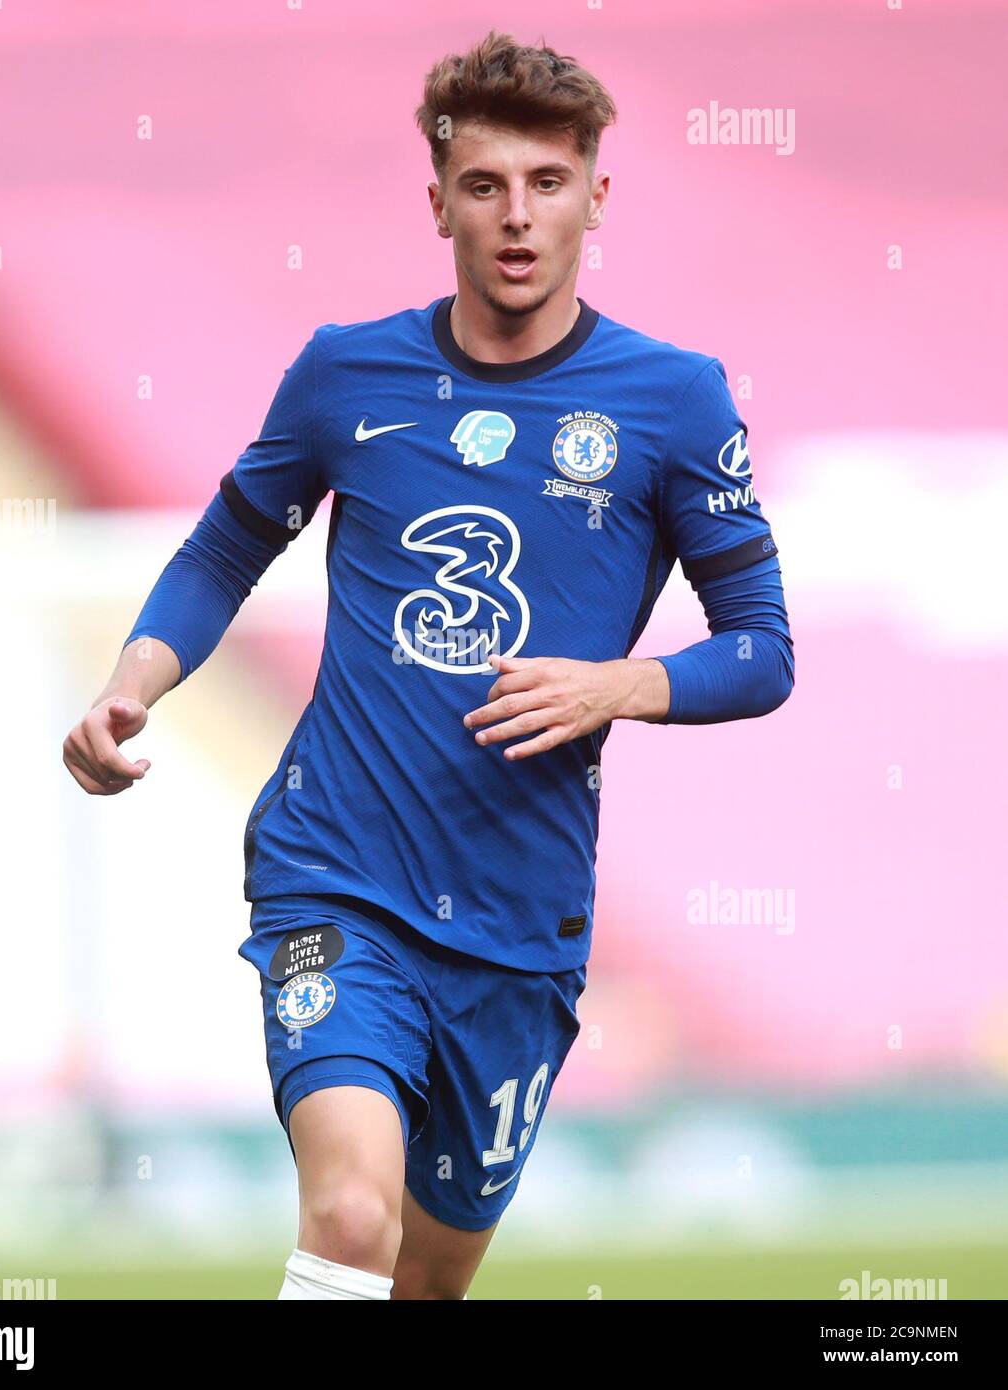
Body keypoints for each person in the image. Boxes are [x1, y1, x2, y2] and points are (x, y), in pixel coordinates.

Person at [62, 29, 794, 1300]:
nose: (517, 217)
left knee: (425, 1280)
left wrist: (622, 683)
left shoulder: (674, 402)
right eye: (485, 185)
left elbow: (763, 649)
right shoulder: (348, 372)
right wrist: (138, 677)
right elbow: (228, 544)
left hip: (521, 926)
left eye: (547, 185)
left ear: (596, 198)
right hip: (335, 878)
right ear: (439, 199)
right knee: (348, 1219)